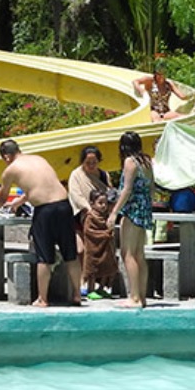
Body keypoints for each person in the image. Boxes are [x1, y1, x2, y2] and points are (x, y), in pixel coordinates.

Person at [0, 140, 83, 307]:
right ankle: (77, 295)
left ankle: (43, 299)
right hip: (64, 205)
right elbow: (41, 186)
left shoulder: (11, 170)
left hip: (45, 211)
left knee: (44, 256)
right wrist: (19, 202)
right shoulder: (39, 159)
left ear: (6, 156)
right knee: (70, 253)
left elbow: (2, 197)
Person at [109, 131, 154, 308]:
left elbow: (126, 190)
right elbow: (151, 188)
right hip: (144, 209)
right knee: (139, 254)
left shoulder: (130, 162)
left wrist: (114, 212)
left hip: (132, 210)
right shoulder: (147, 162)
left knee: (127, 253)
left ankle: (134, 297)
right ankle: (142, 297)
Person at [67, 145, 111, 290]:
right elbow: (75, 195)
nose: (91, 166)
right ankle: (82, 280)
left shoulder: (104, 175)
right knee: (81, 250)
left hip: (100, 220)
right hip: (80, 217)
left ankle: (96, 283)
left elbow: (110, 194)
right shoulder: (76, 175)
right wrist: (89, 209)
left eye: (94, 162)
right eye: (88, 163)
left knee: (100, 251)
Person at [81, 189, 119, 299]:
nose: (103, 206)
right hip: (93, 247)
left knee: (107, 268)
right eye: (100, 203)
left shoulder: (106, 216)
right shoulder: (90, 216)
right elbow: (89, 231)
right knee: (93, 269)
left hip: (106, 247)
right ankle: (90, 289)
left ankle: (102, 288)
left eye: (105, 203)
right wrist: (105, 234)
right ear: (92, 203)